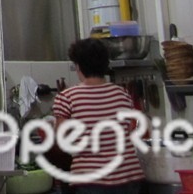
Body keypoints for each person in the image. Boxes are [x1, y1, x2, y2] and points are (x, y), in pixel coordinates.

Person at [51, 38, 144, 194]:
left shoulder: (67, 97)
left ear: (78, 66)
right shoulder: (122, 94)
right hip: (130, 178)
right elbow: (130, 128)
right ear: (105, 65)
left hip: (91, 181)